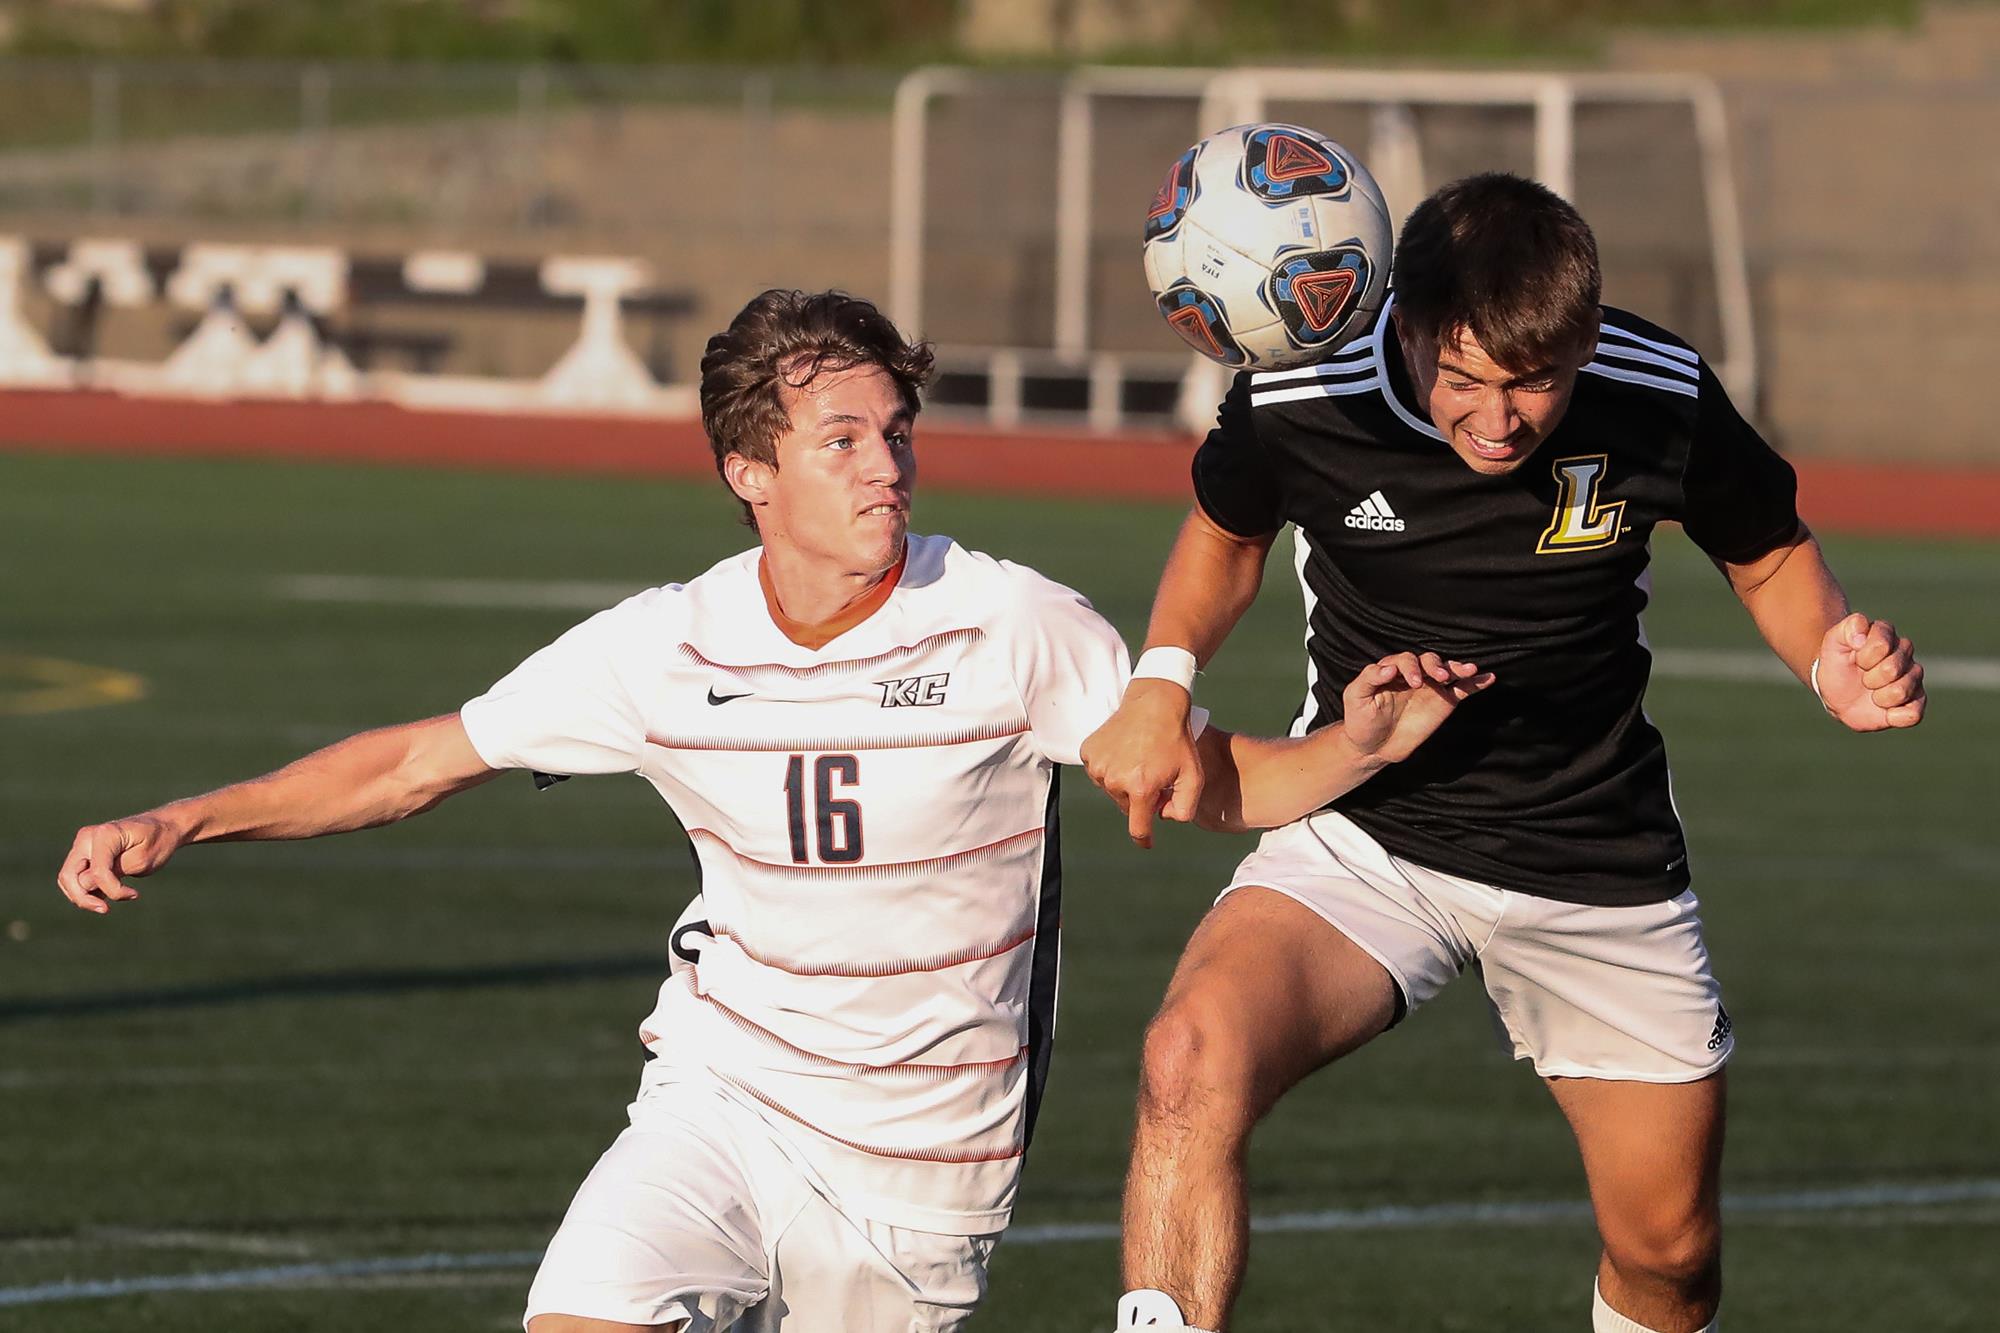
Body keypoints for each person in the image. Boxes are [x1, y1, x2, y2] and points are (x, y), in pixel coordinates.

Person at [55, 288, 1493, 1333]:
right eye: (840, 439)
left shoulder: (1009, 623)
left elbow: (1205, 781)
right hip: (722, 1098)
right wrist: (188, 817)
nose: (886, 464)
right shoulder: (663, 645)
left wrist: (1358, 744)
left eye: (895, 432)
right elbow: (417, 762)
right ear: (750, 472)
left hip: (921, 1170)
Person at [1082, 174, 1927, 1333]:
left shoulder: (1655, 390)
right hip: (1367, 836)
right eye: (1463, 377)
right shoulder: (1299, 387)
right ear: (1405, 324)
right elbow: (1224, 535)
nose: (1496, 417)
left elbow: (1767, 552)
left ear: (1584, 342)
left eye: (1534, 381)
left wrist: (1828, 658)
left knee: (1669, 1252)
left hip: (1590, 855)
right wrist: (1159, 681)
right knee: (1187, 1060)